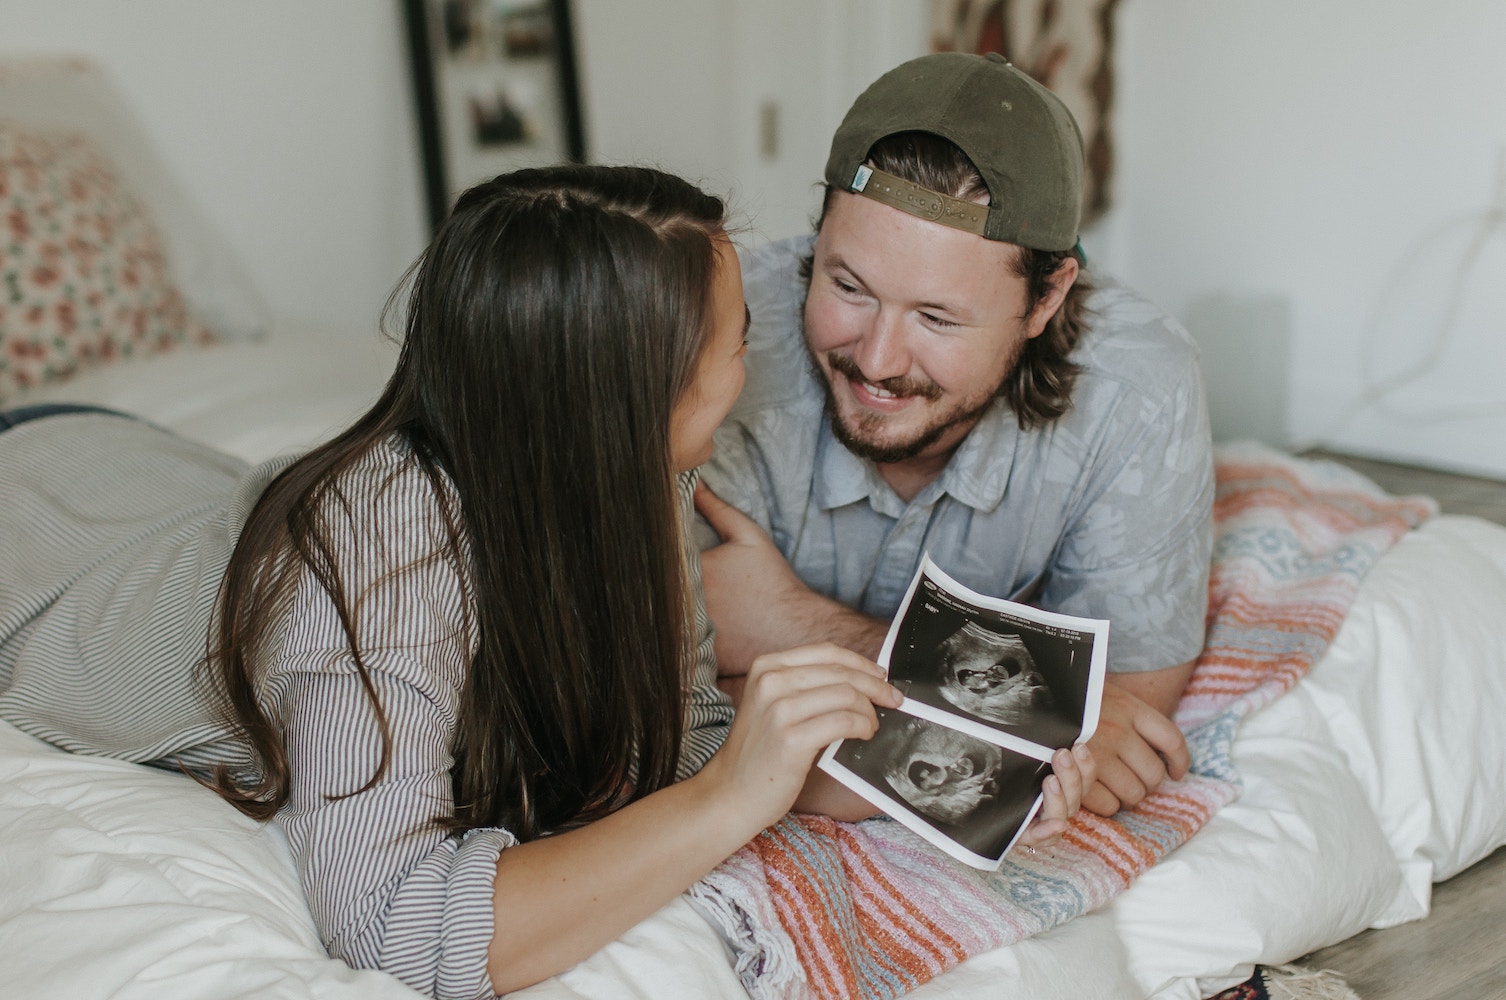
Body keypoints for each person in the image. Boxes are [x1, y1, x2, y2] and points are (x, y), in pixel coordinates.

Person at [0, 165, 1094, 998]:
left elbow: (678, 735)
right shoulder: (375, 565)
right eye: (734, 336)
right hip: (38, 523)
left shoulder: (636, 472)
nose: (754, 357)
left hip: (158, 477)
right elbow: (391, 920)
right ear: (627, 396)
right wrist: (725, 797)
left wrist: (947, 769)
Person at [695, 52, 1213, 820]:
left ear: (1046, 298)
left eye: (936, 319)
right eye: (847, 287)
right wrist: (1024, 724)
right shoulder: (716, 344)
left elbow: (1118, 727)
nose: (875, 359)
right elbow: (674, 722)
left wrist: (792, 627)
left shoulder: (1140, 389)